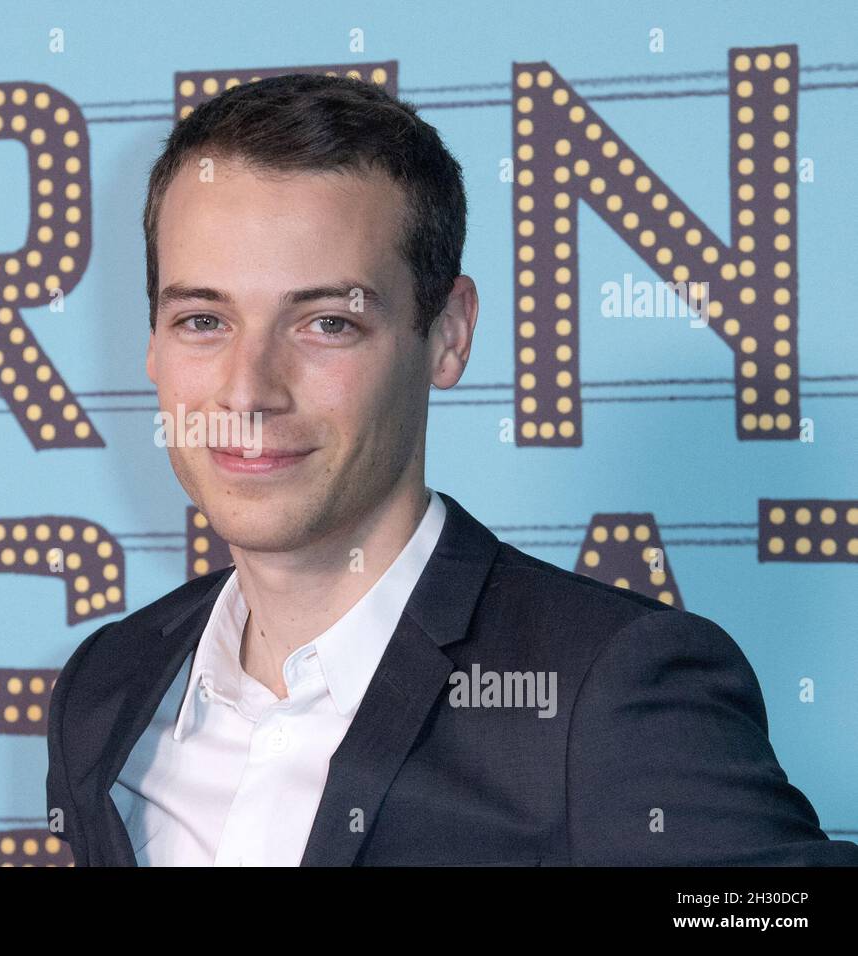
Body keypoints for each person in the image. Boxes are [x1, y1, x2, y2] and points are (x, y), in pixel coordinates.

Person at [45, 72, 855, 866]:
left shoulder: (607, 695)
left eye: (327, 322)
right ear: (152, 341)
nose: (250, 389)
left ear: (450, 334)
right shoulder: (108, 684)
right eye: (203, 319)